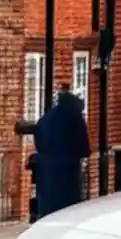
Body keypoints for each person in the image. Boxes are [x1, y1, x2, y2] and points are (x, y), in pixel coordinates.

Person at [32, 84, 90, 218]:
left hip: (46, 171)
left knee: (48, 209)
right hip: (68, 170)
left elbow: (38, 141)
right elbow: (84, 147)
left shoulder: (46, 118)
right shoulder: (75, 118)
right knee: (67, 209)